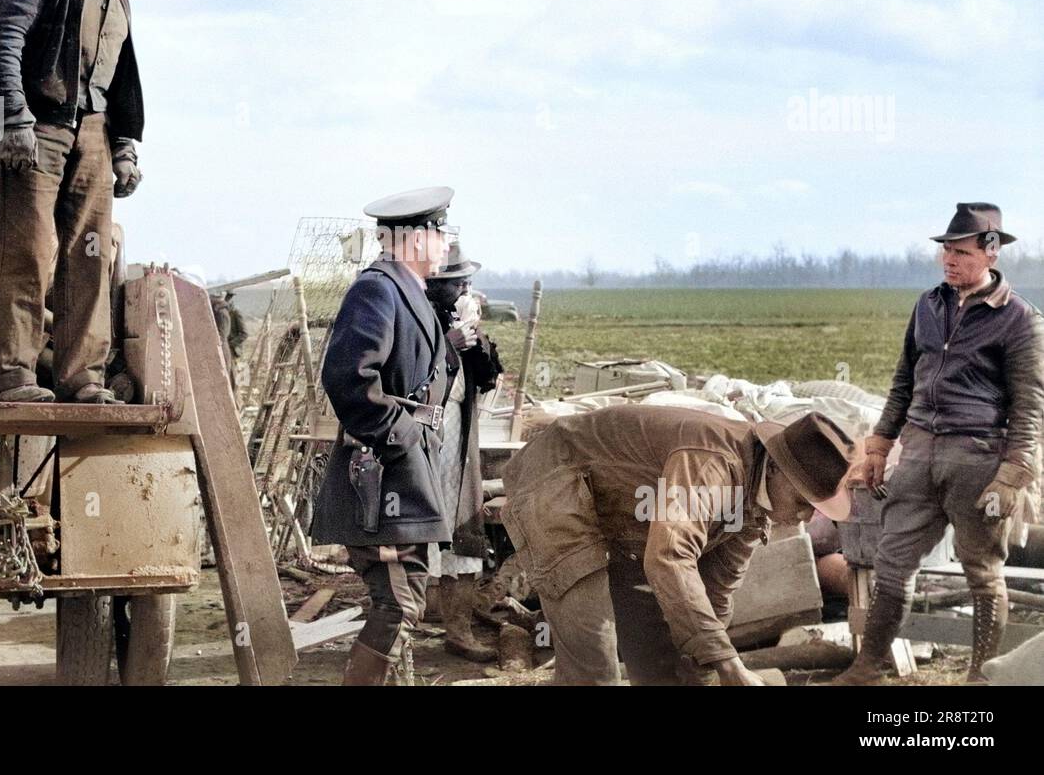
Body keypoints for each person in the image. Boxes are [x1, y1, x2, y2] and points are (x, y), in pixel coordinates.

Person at [0, 0, 158, 404]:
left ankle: (82, 381)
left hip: (95, 132)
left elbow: (122, 70)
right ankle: (12, 379)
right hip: (40, 125)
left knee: (91, 259)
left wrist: (125, 144)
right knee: (26, 253)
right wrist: (10, 117)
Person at [834, 203, 1043, 684]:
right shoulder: (928, 305)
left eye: (961, 252)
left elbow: (1030, 407)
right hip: (920, 452)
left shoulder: (1019, 320)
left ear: (990, 252)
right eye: (945, 251)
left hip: (978, 459)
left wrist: (1013, 475)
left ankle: (980, 678)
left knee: (982, 571)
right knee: (892, 560)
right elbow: (903, 381)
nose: (949, 261)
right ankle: (869, 664)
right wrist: (879, 445)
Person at [502, 405, 852, 685]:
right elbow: (669, 558)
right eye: (802, 500)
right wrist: (729, 664)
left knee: (661, 669)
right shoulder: (712, 464)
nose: (806, 517)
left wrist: (707, 668)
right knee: (594, 661)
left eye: (815, 508)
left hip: (625, 518)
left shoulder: (757, 504)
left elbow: (716, 591)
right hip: (557, 482)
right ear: (775, 468)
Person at [309, 186, 458, 685]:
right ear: (417, 238)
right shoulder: (376, 288)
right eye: (442, 234)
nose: (446, 245)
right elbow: (348, 377)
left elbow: (429, 375)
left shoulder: (407, 290)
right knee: (399, 601)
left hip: (407, 470)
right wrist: (403, 434)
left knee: (403, 596)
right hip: (385, 476)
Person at [424, 243, 503, 662]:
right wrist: (448, 344)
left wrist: (475, 344)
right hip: (421, 442)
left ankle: (458, 631)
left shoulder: (463, 319)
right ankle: (400, 628)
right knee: (417, 532)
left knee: (462, 532)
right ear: (437, 285)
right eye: (459, 283)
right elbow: (407, 374)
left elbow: (488, 378)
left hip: (457, 443)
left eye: (468, 283)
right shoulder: (415, 319)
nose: (466, 289)